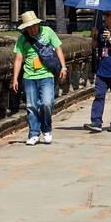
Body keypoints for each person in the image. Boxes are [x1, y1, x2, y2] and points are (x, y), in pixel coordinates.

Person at [12, 10, 68, 145]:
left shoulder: (48, 31)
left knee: (46, 103)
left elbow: (58, 48)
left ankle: (47, 129)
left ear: (38, 24)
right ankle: (34, 133)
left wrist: (63, 67)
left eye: (33, 26)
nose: (32, 30)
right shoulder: (22, 39)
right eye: (29, 28)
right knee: (31, 106)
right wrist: (15, 78)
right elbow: (18, 59)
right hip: (29, 76)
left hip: (46, 74)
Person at [84, 10, 111, 132]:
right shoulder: (102, 31)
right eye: (105, 15)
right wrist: (94, 36)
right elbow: (94, 46)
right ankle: (96, 121)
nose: (106, 18)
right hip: (102, 70)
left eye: (108, 15)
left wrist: (110, 39)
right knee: (99, 96)